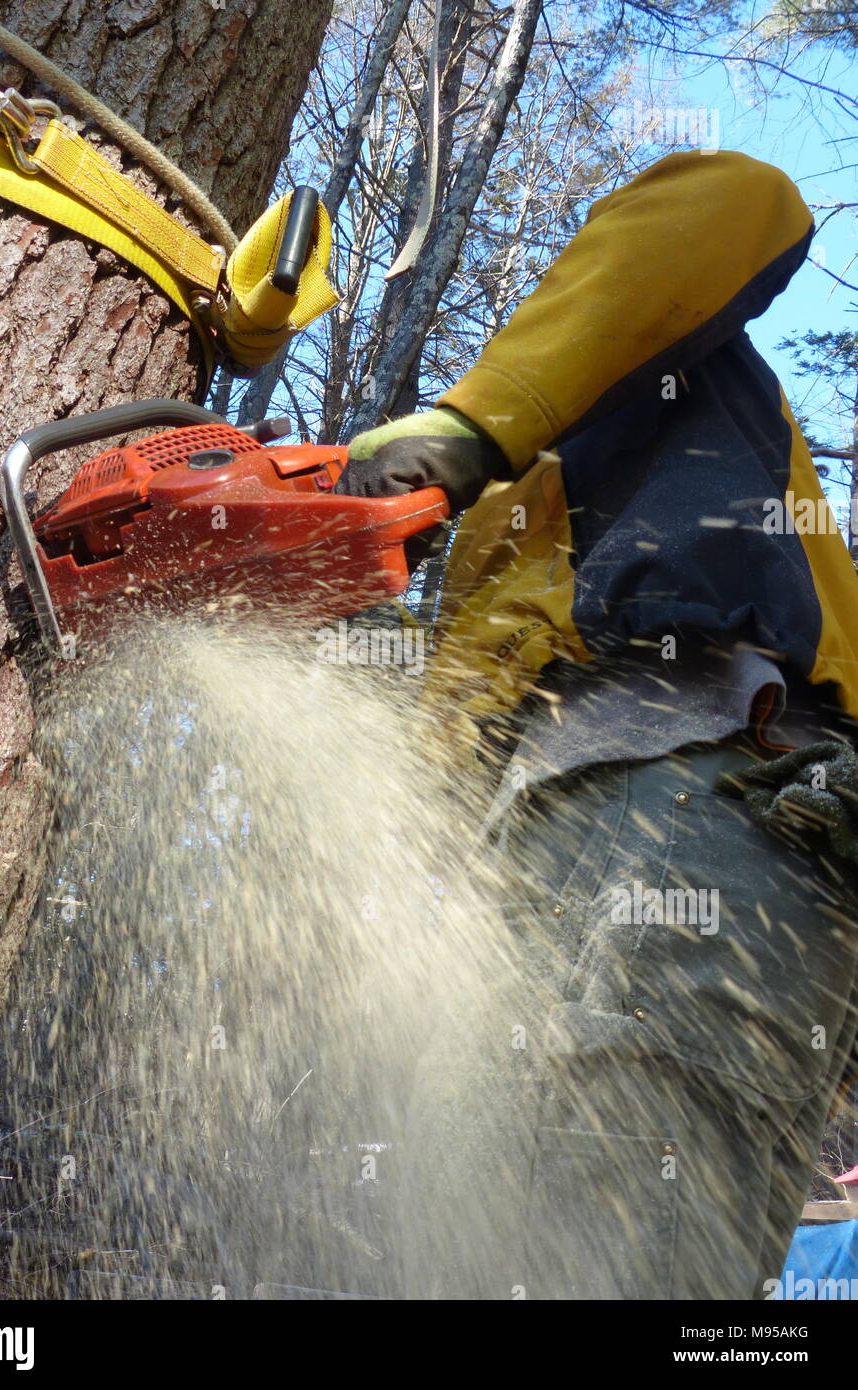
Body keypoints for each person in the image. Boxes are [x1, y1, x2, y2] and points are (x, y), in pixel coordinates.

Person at [333, 149, 858, 1299]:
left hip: (673, 786)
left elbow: (747, 194)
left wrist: (474, 419)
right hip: (596, 844)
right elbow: (457, 740)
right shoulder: (507, 535)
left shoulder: (658, 364)